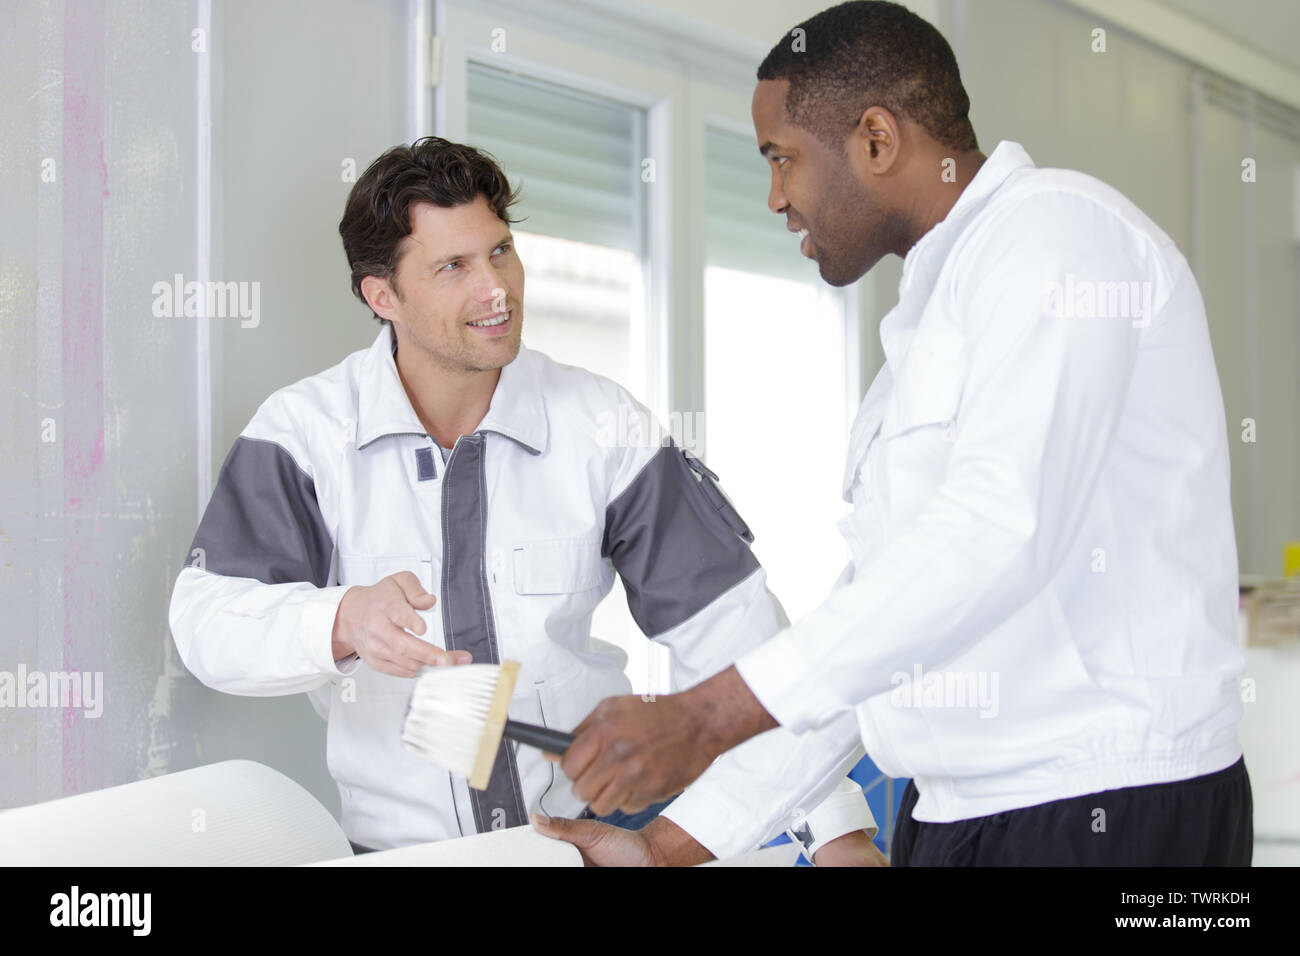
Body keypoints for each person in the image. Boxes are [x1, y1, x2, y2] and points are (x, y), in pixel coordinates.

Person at [533, 0, 1253, 866]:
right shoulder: (932, 323)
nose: (773, 198)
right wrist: (667, 847)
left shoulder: (1059, 237)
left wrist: (709, 711)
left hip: (1108, 814)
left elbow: (997, 529)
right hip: (957, 818)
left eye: (781, 159)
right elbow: (883, 624)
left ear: (876, 139)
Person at [168, 136, 882, 863]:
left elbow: (741, 642)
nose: (497, 288)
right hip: (400, 856)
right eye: (454, 267)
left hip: (582, 846)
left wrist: (836, 827)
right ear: (382, 296)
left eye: (501, 251)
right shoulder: (304, 433)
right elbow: (204, 626)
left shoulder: (604, 428)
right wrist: (341, 619)